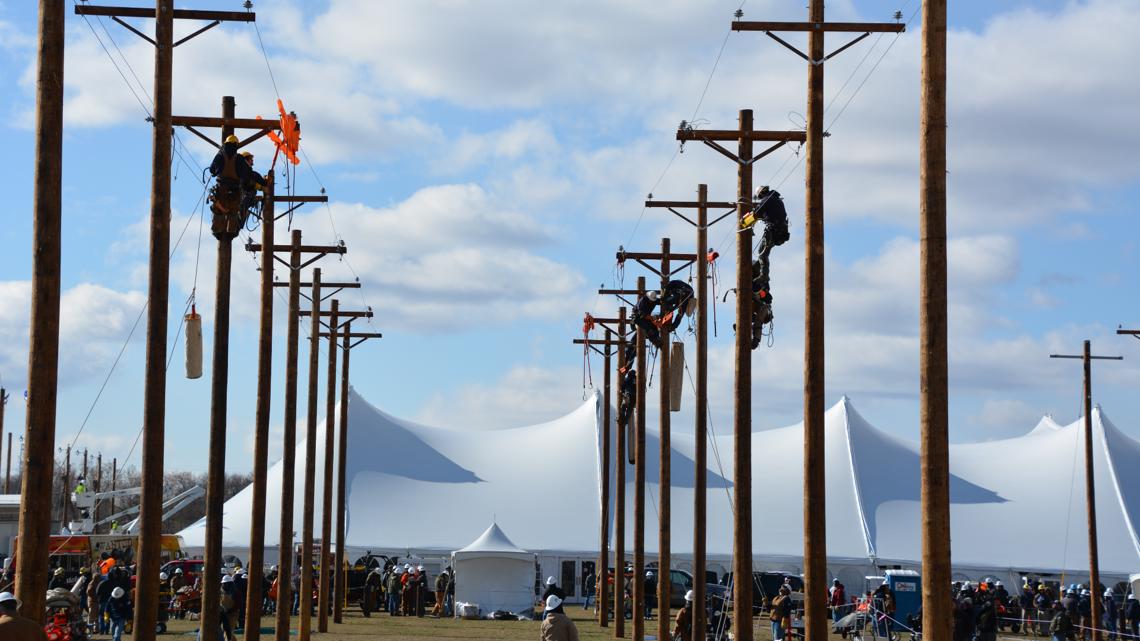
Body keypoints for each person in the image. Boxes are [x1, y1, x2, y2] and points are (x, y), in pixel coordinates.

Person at [208, 134, 253, 232]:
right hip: (234, 189)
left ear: (226, 144)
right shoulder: (240, 158)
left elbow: (212, 170)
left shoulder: (220, 155)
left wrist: (217, 171)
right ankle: (231, 231)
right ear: (237, 145)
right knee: (233, 211)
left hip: (221, 189)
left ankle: (217, 231)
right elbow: (245, 174)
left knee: (218, 210)